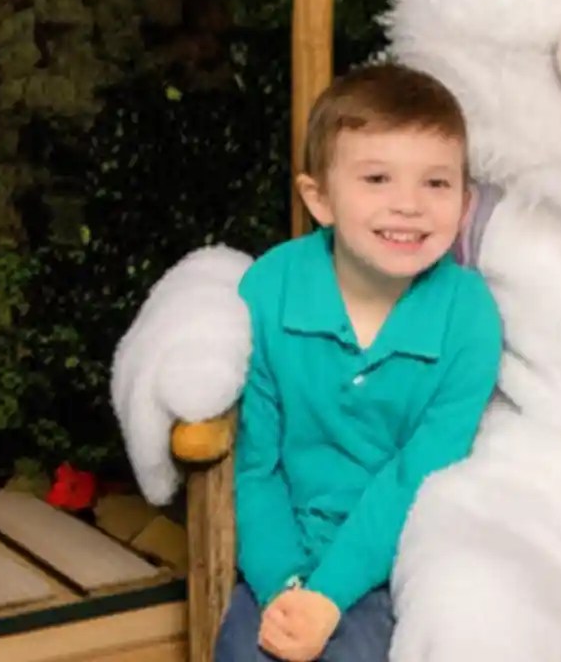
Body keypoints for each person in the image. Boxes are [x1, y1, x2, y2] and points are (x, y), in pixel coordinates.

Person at [214, 63, 503, 662]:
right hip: (282, 554)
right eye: (376, 178)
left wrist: (329, 595)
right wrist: (285, 588)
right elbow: (256, 467)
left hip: (398, 559)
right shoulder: (270, 288)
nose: (408, 206)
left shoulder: (469, 314)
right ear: (319, 199)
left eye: (436, 183)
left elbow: (419, 474)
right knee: (247, 651)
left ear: (465, 204)